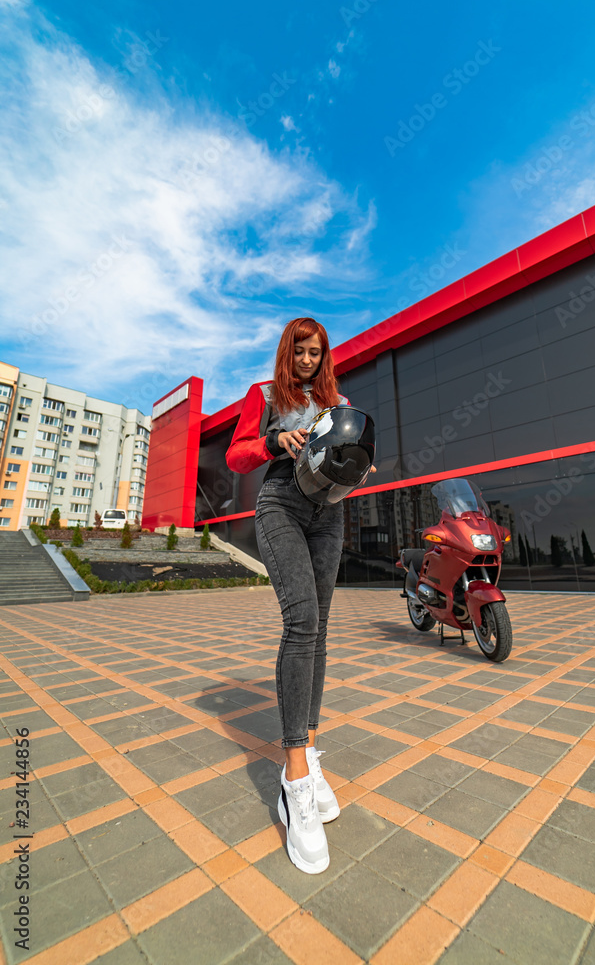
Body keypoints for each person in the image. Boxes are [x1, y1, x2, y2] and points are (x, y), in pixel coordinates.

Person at [226, 317, 374, 874]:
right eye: (301, 351)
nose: (309, 360)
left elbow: (350, 454)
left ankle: (309, 751)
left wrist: (359, 459)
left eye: (317, 352)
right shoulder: (264, 395)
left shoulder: (340, 401)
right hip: (282, 506)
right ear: (289, 352)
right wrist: (272, 439)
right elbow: (235, 457)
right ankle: (294, 779)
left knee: (321, 631)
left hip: (329, 512)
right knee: (302, 623)